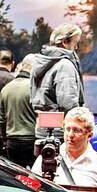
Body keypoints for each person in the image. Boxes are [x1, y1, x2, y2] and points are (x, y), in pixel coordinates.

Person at [32, 107, 97, 192]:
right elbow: (31, 187)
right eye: (68, 129)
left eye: (76, 130)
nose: (70, 135)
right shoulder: (47, 157)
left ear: (89, 135)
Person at [30, 23, 85, 153]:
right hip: (62, 133)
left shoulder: (39, 63)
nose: (76, 47)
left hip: (42, 132)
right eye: (75, 43)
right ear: (65, 42)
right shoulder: (64, 65)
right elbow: (68, 103)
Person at [0, 53, 38, 166]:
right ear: (32, 67)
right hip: (32, 141)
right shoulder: (35, 88)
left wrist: (4, 139)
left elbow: (1, 119)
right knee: (34, 179)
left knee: (15, 178)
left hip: (12, 142)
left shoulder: (6, 88)